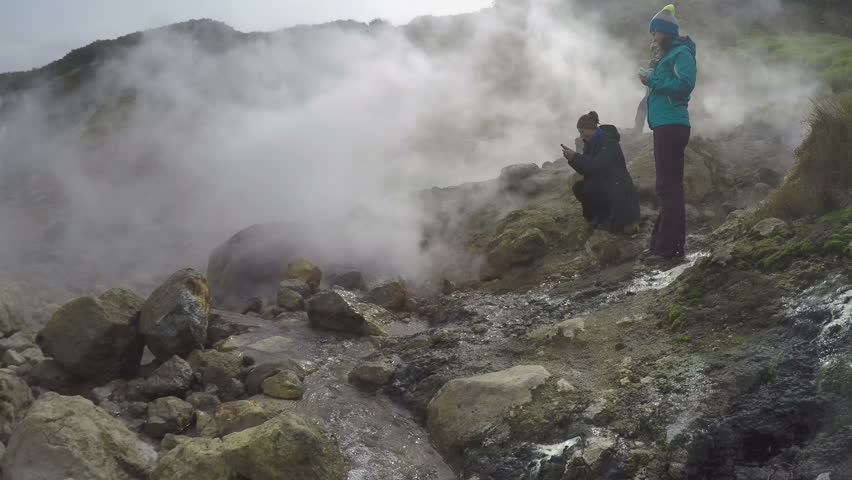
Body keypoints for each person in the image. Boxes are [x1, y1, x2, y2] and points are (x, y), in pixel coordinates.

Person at [639, 5, 697, 264]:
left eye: (655, 34)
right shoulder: (668, 55)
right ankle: (660, 245)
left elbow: (685, 86)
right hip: (664, 124)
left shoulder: (682, 53)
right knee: (666, 187)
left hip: (672, 125)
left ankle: (670, 250)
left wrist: (652, 80)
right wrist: (652, 73)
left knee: (669, 188)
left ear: (665, 33)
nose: (653, 39)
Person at [561, 111, 640, 234]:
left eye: (582, 131)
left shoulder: (609, 142)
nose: (581, 136)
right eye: (579, 132)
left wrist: (575, 156)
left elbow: (596, 166)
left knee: (619, 227)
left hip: (618, 188)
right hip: (605, 185)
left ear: (591, 128)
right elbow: (585, 169)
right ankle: (599, 217)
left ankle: (612, 219)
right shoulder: (590, 144)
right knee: (580, 187)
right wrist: (571, 159)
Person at [632, 4, 673, 136]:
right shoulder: (657, 43)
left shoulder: (667, 45)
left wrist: (650, 70)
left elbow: (660, 61)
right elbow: (654, 60)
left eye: (654, 32)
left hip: (658, 80)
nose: (654, 35)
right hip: (654, 78)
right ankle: (640, 130)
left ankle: (639, 131)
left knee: (645, 105)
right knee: (645, 105)